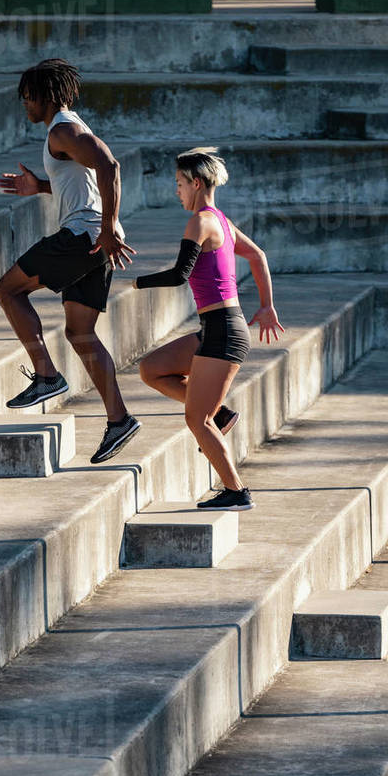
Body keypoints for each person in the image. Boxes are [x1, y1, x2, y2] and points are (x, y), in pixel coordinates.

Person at [0, 58, 141, 465]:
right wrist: (39, 186)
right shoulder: (66, 128)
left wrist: (109, 228)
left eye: (28, 97)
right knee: (80, 333)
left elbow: (109, 165)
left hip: (84, 237)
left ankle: (46, 375)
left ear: (43, 96)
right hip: (94, 239)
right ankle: (119, 419)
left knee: (8, 289)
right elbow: (81, 181)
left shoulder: (63, 128)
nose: (25, 104)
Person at [133, 147, 283, 510]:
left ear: (195, 183)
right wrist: (265, 305)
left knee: (196, 419)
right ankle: (222, 412)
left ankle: (236, 491)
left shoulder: (201, 221)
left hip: (223, 332)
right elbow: (258, 256)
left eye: (180, 183)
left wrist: (133, 284)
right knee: (151, 369)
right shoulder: (221, 220)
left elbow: (178, 274)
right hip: (215, 327)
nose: (177, 191)